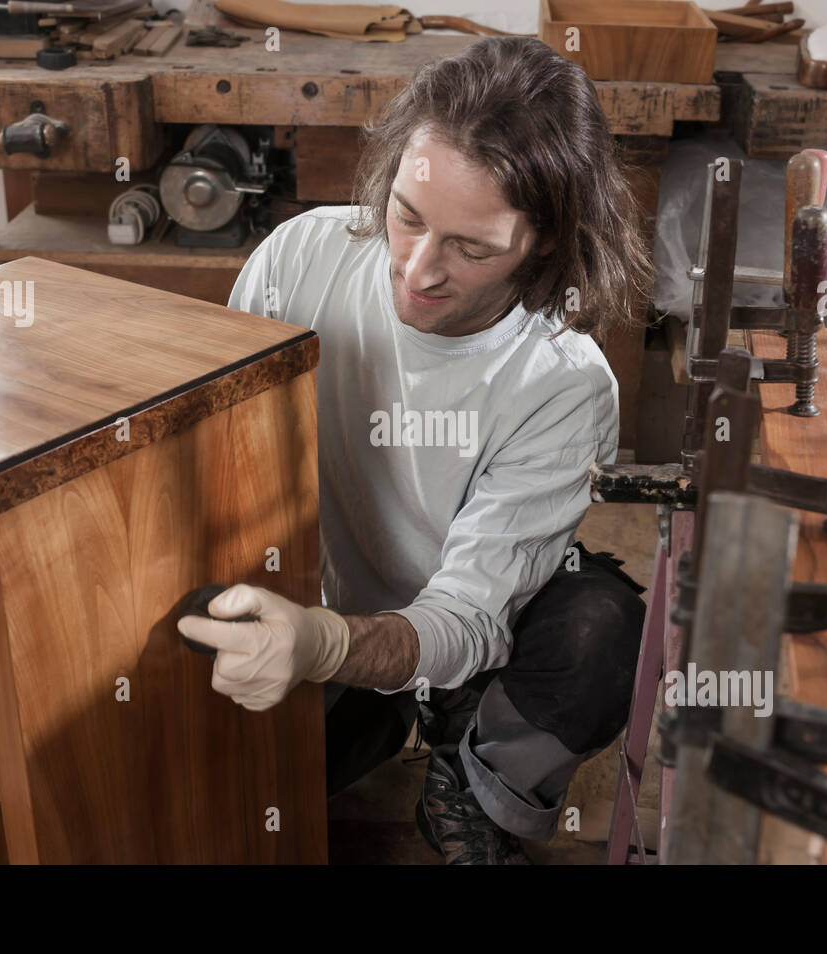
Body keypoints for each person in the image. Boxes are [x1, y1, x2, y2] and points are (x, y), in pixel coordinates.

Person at [178, 35, 651, 865]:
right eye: (407, 217)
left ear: (544, 241)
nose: (418, 273)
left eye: (471, 247)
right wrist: (296, 635)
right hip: (315, 613)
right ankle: (399, 712)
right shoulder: (300, 258)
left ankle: (474, 774)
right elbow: (216, 460)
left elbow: (464, 616)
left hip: (437, 624)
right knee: (221, 787)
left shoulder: (564, 384)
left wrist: (327, 645)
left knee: (601, 634)